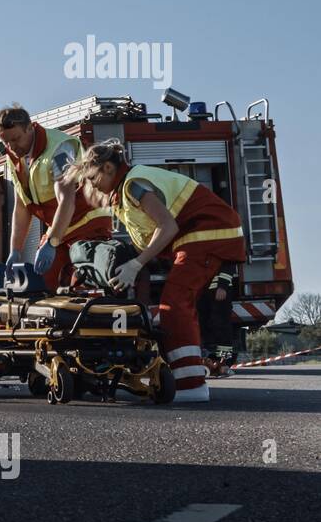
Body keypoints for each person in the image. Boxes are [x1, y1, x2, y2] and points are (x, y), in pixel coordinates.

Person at [69, 140, 246, 402]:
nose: (92, 185)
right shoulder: (125, 190)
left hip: (205, 233)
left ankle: (191, 386)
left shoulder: (133, 185)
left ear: (108, 167)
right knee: (174, 307)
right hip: (199, 235)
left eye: (92, 177)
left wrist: (137, 263)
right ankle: (180, 376)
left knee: (174, 306)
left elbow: (168, 226)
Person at [0, 105, 113, 289]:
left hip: (87, 225)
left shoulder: (60, 149)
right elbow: (22, 206)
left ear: (30, 128)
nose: (12, 147)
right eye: (6, 142)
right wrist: (15, 250)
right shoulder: (15, 156)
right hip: (60, 229)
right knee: (43, 284)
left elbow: (67, 201)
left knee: (80, 288)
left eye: (16, 139)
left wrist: (51, 242)